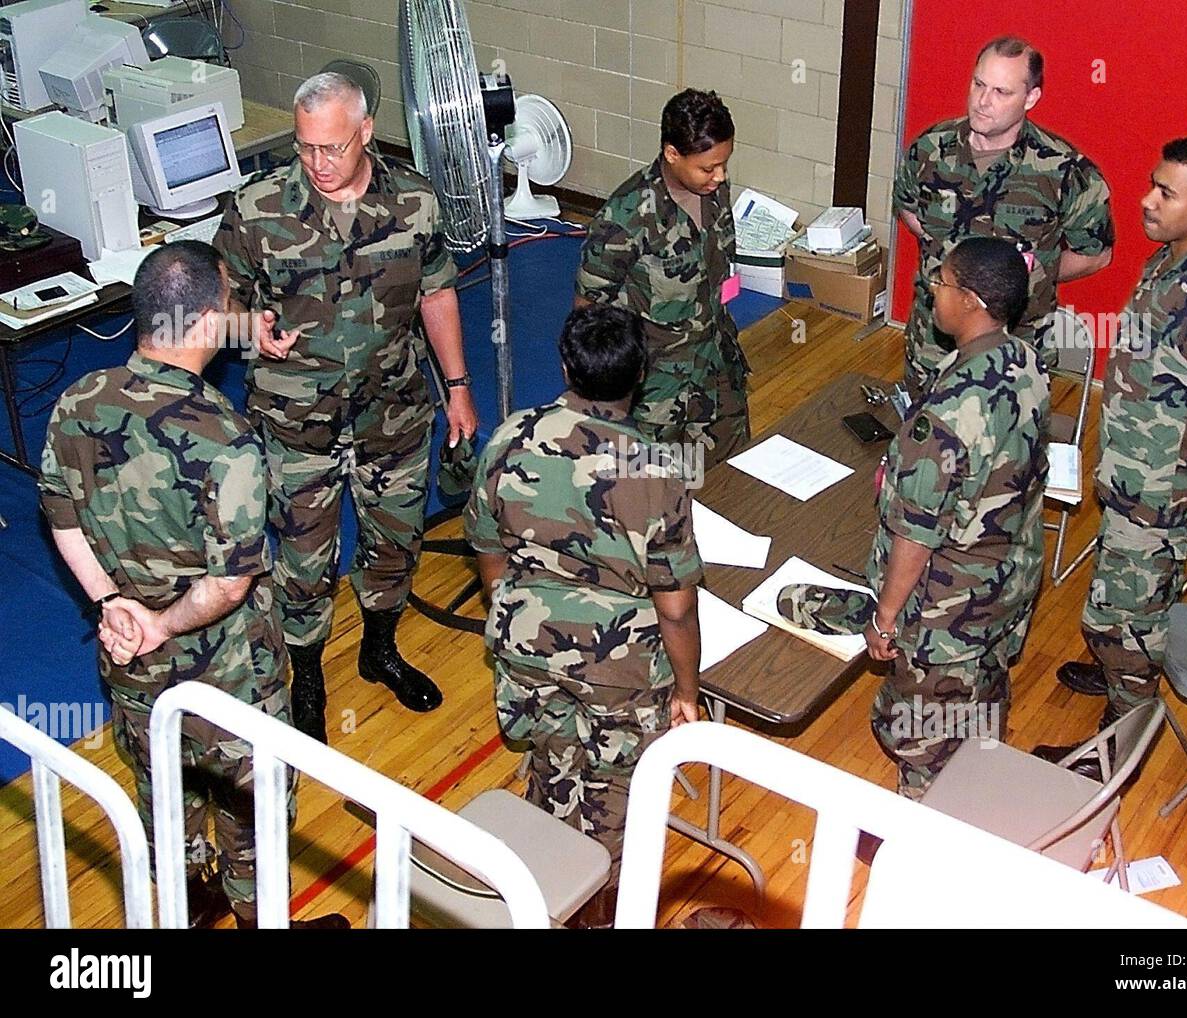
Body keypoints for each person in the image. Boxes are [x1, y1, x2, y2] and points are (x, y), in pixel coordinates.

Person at [38, 242, 346, 929]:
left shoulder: (78, 403)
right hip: (228, 675)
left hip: (132, 662)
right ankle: (257, 918)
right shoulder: (225, 441)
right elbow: (229, 584)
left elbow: (60, 517)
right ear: (208, 323)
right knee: (254, 804)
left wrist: (114, 605)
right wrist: (165, 622)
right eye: (230, 304)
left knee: (163, 789)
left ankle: (188, 901)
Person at [214, 71, 479, 743]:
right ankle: (306, 677)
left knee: (395, 541)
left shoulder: (414, 202)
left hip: (393, 412)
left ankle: (380, 648)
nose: (318, 164)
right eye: (305, 148)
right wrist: (252, 330)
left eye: (332, 148)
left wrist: (458, 387)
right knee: (304, 561)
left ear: (365, 132)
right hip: (296, 423)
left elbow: (437, 293)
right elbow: (220, 303)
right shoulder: (259, 208)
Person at [779, 238, 1049, 798]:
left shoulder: (947, 416)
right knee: (985, 685)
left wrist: (885, 620)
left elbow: (915, 535)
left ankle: (918, 825)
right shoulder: (1024, 362)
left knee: (917, 734)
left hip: (946, 604)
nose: (931, 290)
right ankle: (979, 763)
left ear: (971, 300)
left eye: (942, 283)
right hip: (1008, 580)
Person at [464, 304, 704, 926]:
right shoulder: (653, 469)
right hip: (619, 665)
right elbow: (675, 609)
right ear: (640, 374)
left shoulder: (510, 435)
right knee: (616, 798)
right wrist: (685, 689)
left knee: (550, 764)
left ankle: (535, 892)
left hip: (524, 644)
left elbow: (487, 550)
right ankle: (601, 908)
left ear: (567, 364)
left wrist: (516, 609)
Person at [1036, 137, 1187, 771]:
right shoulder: (1175, 256)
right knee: (1124, 594)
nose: (1146, 200)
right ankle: (1117, 671)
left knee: (1126, 619)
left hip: (1159, 489)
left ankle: (1118, 745)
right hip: (1134, 469)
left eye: (1166, 193)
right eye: (1152, 185)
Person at [894, 36, 1114, 394]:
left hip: (1017, 347)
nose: (983, 102)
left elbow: (1095, 255)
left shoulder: (1063, 170)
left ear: (1030, 98)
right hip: (935, 343)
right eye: (979, 84)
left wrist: (1028, 275)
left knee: (1009, 446)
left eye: (1001, 92)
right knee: (927, 438)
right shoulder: (931, 149)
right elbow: (909, 210)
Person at [576, 88, 746, 473]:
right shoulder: (626, 218)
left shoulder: (714, 194)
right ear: (672, 154)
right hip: (657, 395)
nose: (719, 176)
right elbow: (587, 319)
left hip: (718, 369)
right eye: (708, 167)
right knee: (653, 495)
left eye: (724, 164)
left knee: (734, 480)